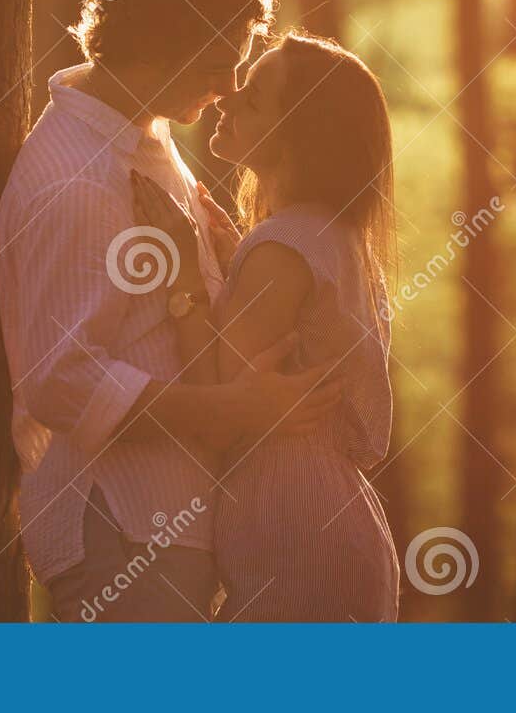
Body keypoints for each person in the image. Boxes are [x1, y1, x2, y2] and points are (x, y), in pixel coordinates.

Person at [0, 0, 340, 622]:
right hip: (123, 523)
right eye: (221, 60)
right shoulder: (79, 179)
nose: (231, 85)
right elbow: (60, 379)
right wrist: (234, 409)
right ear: (165, 38)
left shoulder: (142, 138)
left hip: (166, 519)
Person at [133, 30, 400, 621]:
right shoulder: (330, 236)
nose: (226, 98)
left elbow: (217, 410)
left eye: (252, 98)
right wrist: (237, 271)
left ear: (298, 137)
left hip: (293, 529)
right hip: (324, 519)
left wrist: (181, 274)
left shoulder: (283, 247)